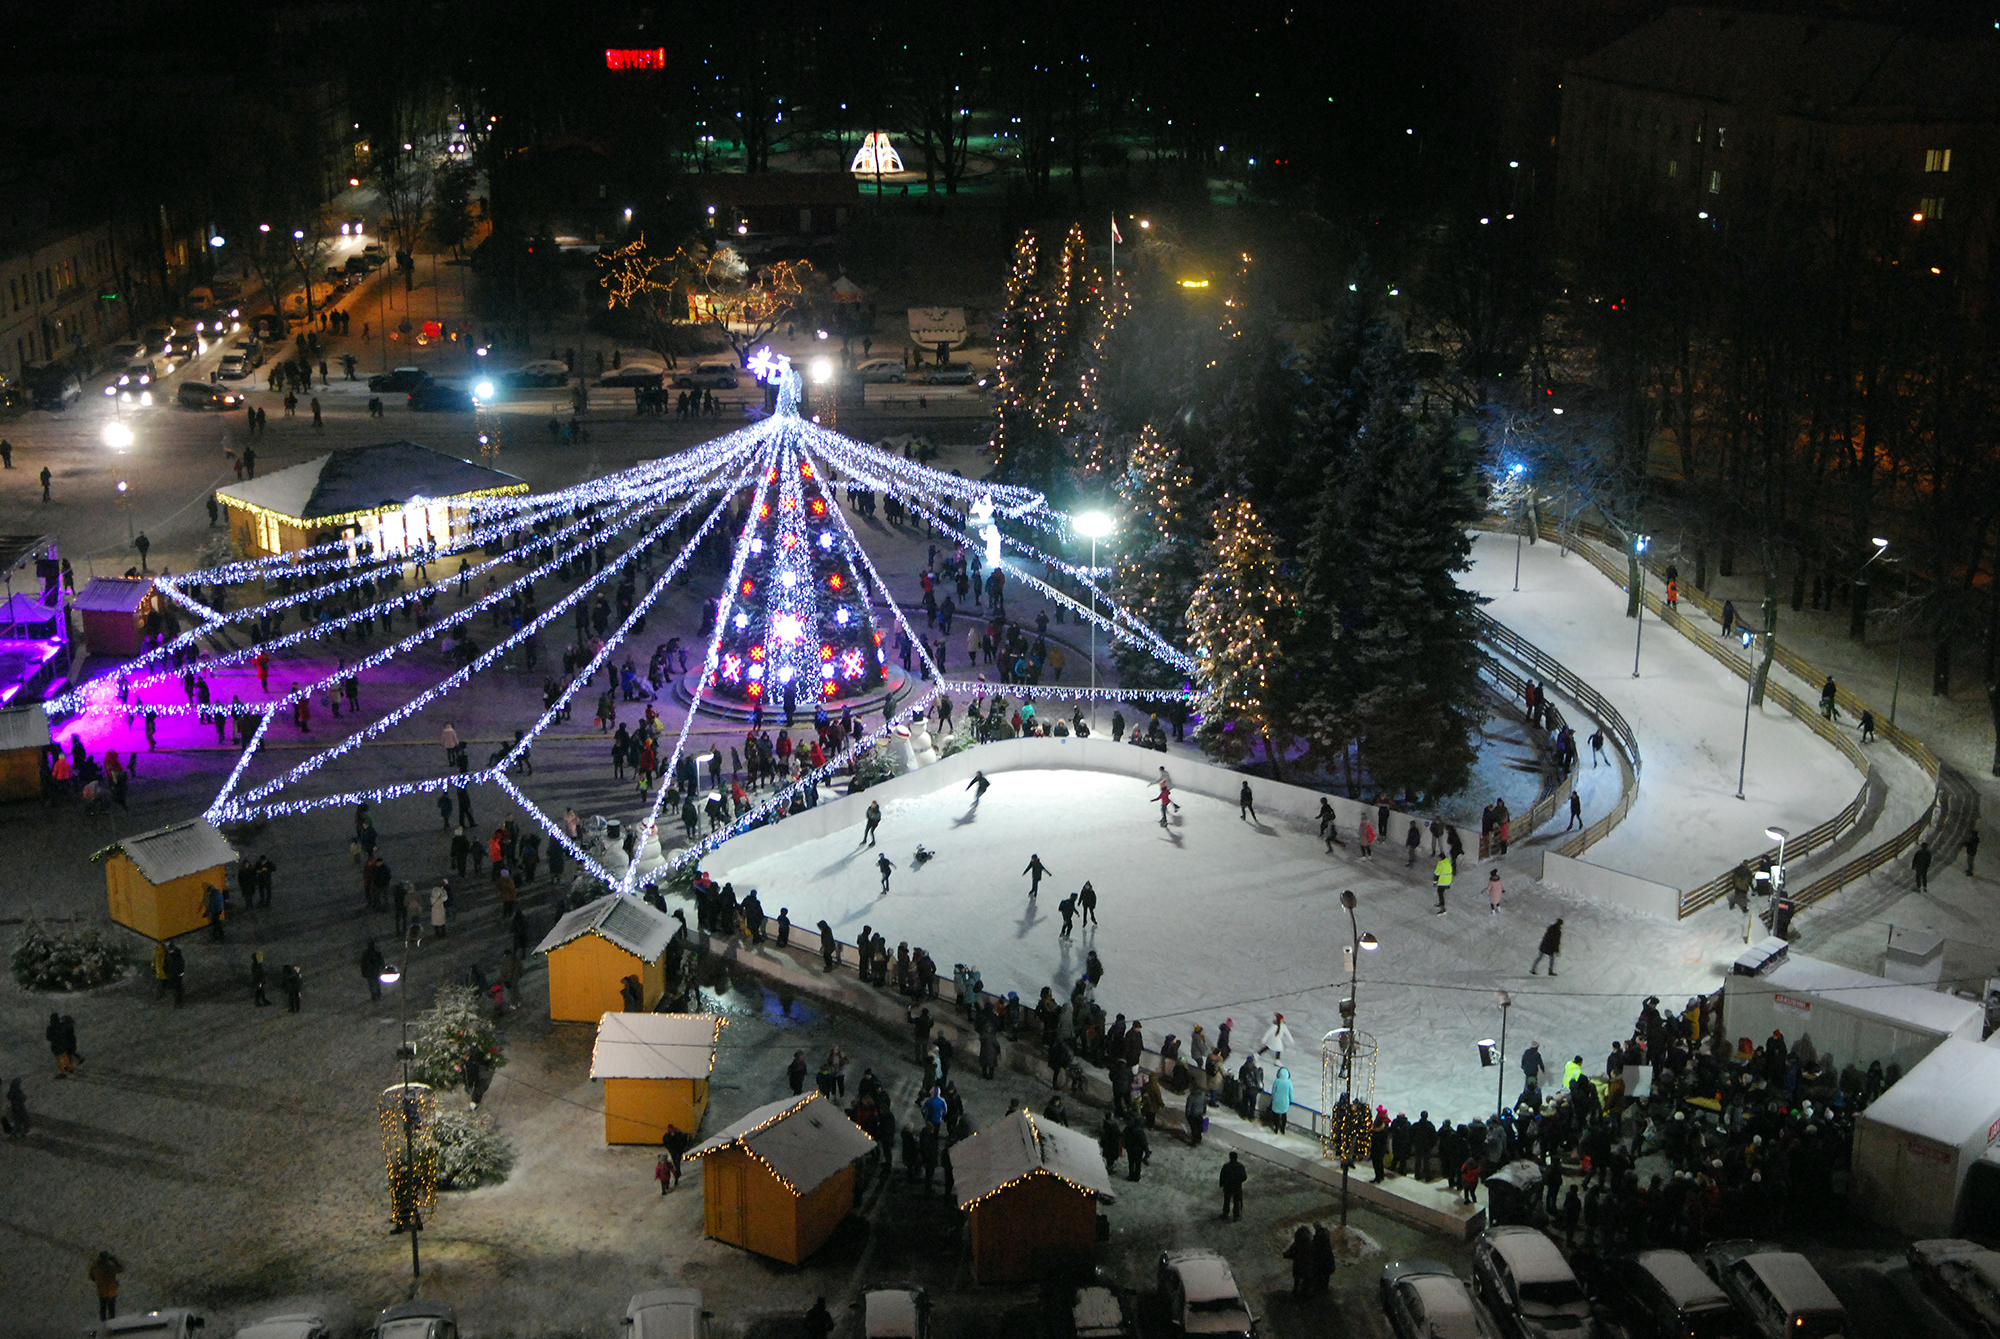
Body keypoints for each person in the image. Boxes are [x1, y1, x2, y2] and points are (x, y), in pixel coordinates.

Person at [89, 1251, 124, 1321]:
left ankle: (103, 1324)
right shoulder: (110, 1267)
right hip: (111, 1290)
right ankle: (112, 1324)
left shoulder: (95, 1267)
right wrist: (115, 1261)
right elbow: (120, 1269)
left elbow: (91, 1277)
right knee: (111, 1309)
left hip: (101, 1291)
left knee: (103, 1308)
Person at [1219, 1150, 1247, 1219]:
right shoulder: (1240, 1166)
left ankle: (1225, 1213)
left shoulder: (1226, 1166)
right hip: (1237, 1187)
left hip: (1228, 1186)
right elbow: (1244, 1177)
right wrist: (1238, 1181)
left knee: (1227, 1200)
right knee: (1236, 1200)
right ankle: (1236, 1215)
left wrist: (1222, 1184)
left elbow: (1222, 1176)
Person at [661, 1123, 690, 1188]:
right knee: (675, 1161)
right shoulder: (667, 1136)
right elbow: (665, 1141)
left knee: (677, 1161)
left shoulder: (678, 1134)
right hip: (673, 1151)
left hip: (678, 1150)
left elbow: (683, 1139)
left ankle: (677, 1172)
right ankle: (677, 1172)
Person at [1268, 1065, 1293, 1135]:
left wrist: (1272, 1098)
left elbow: (1273, 1091)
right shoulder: (1289, 1082)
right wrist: (1291, 1100)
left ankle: (1276, 1127)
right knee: (1283, 1115)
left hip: (1276, 1100)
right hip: (1285, 1101)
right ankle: (1283, 1129)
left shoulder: (1277, 1081)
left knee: (1276, 1115)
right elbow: (1291, 1093)